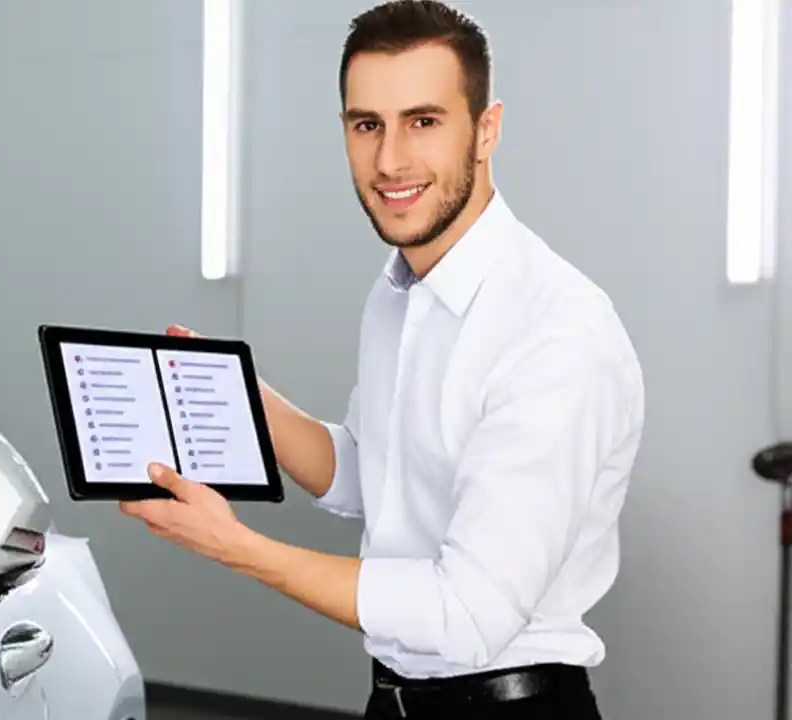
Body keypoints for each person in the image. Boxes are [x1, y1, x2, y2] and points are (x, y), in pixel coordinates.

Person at [119, 1, 644, 718]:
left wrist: (237, 546)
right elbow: (374, 478)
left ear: (486, 130)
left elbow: (468, 613)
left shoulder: (555, 330)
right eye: (367, 125)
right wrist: (243, 399)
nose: (390, 160)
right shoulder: (399, 291)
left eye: (423, 121)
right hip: (394, 701)